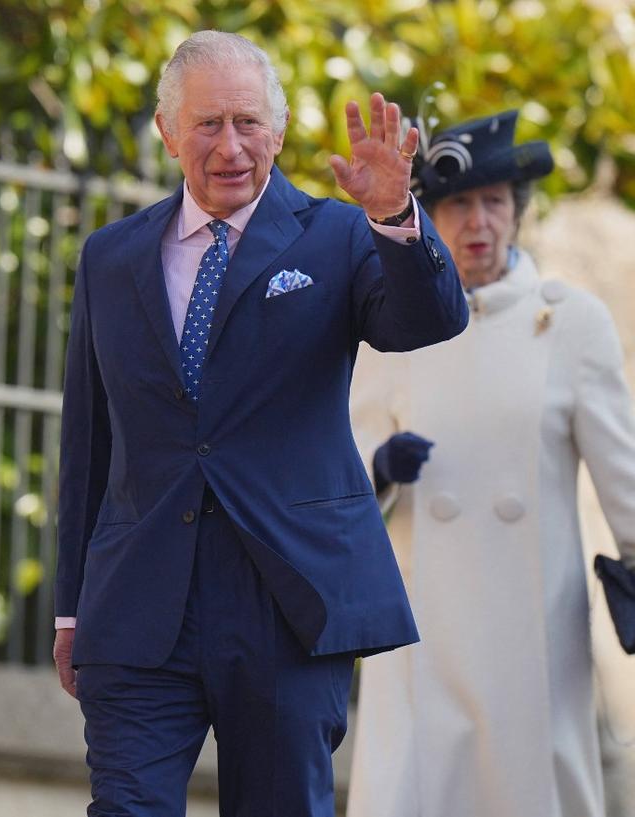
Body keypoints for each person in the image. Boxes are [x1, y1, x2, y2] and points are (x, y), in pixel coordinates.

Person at [52, 29, 467, 817]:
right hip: (141, 602)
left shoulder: (338, 235)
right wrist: (71, 606)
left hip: (288, 599)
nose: (231, 146)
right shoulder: (111, 257)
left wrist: (394, 215)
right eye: (208, 124)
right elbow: (90, 441)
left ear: (277, 131)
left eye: (248, 122)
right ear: (168, 132)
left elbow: (429, 320)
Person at [347, 109, 635, 817]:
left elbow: (623, 475)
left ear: (517, 211)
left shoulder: (571, 322)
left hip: (534, 624)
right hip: (421, 622)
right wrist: (381, 468)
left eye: (495, 201)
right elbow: (340, 468)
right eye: (458, 204)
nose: (478, 222)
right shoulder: (390, 325)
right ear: (430, 215)